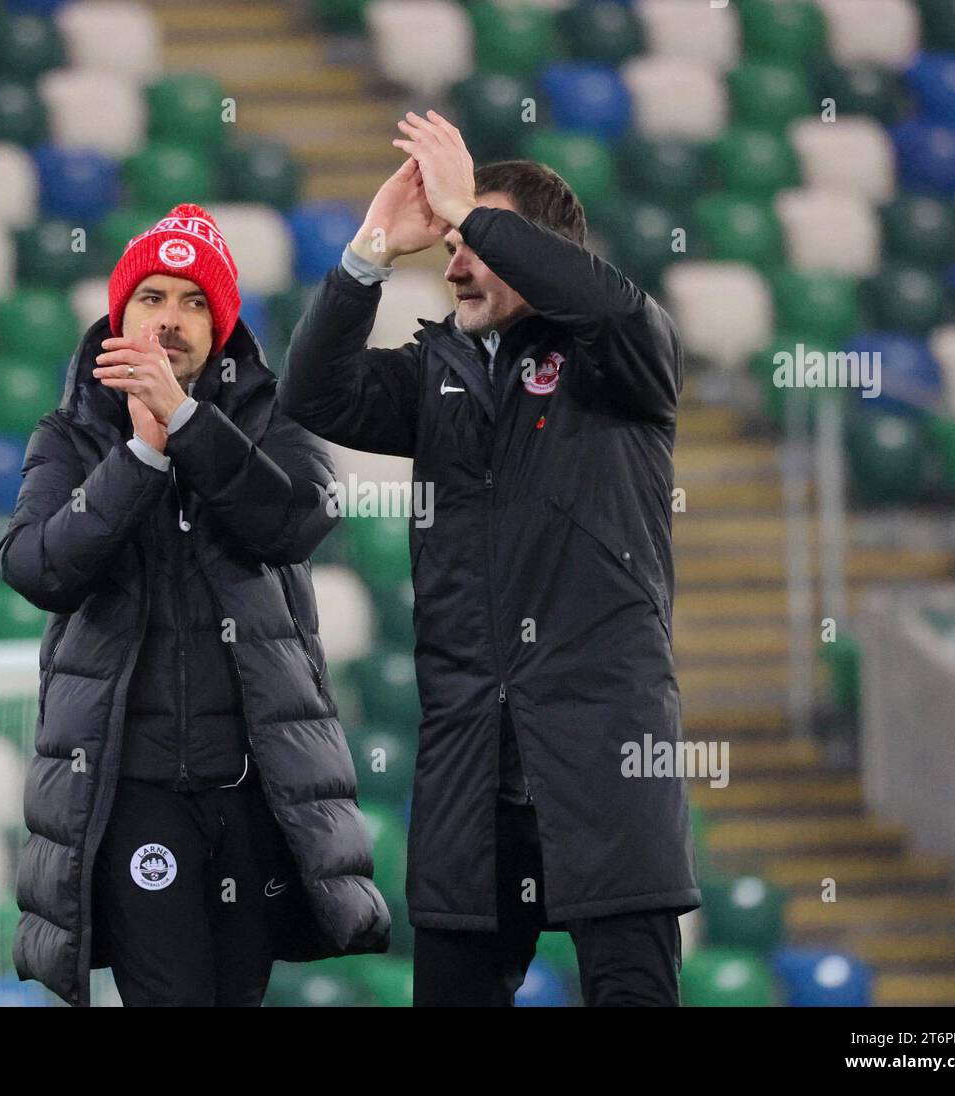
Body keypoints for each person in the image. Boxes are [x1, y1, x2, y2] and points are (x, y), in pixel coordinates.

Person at [282, 111, 700, 1006]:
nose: (456, 261)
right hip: (472, 762)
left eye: (472, 241)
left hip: (605, 755)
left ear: (546, 251)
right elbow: (313, 392)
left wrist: (470, 206)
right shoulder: (436, 370)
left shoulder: (622, 354)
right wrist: (369, 254)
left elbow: (603, 304)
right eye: (451, 245)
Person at [0, 203, 389, 1007]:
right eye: (152, 298)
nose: (170, 321)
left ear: (222, 324)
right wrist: (139, 455)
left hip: (254, 793)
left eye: (194, 302)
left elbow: (293, 521)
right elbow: (38, 568)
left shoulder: (278, 418)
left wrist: (184, 423)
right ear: (119, 312)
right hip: (134, 793)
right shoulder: (71, 437)